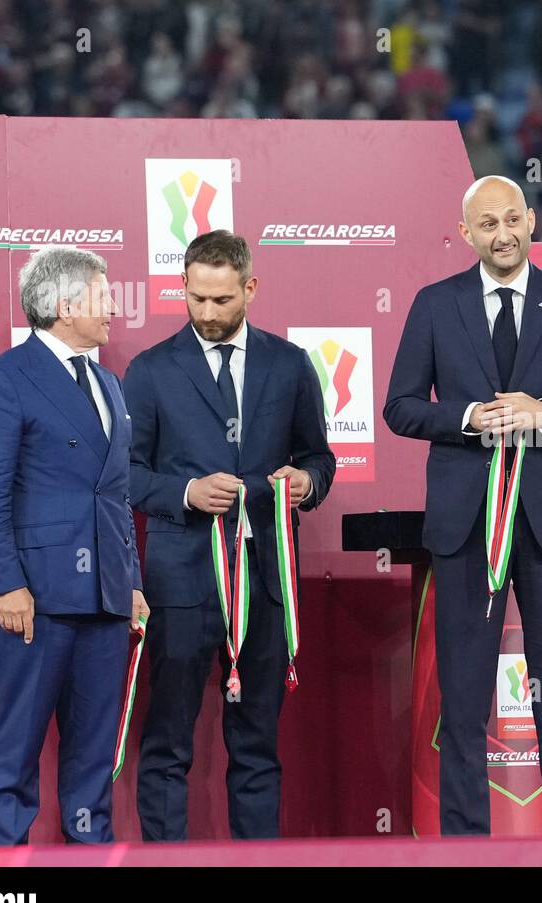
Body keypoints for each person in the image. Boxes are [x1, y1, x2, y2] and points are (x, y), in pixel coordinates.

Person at [384, 176, 542, 834]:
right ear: (466, 234)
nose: (503, 234)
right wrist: (468, 418)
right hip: (465, 529)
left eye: (512, 219)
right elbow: (399, 408)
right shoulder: (436, 305)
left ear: (531, 220)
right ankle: (468, 847)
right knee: (463, 702)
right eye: (487, 224)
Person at [124, 230, 335, 841]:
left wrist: (306, 482)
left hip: (266, 581)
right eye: (196, 300)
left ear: (250, 288)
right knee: (166, 744)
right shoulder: (151, 370)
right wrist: (186, 494)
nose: (208, 314)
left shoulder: (290, 364)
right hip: (181, 580)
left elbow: (319, 459)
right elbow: (126, 477)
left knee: (257, 745)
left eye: (221, 301)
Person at [0, 246, 147, 845]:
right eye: (102, 295)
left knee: (93, 757)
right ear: (66, 306)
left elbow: (114, 496)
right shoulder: (4, 380)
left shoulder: (109, 383)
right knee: (15, 749)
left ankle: (89, 859)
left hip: (105, 599)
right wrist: (6, 583)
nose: (113, 307)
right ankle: (3, 880)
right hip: (34, 600)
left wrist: (133, 582)